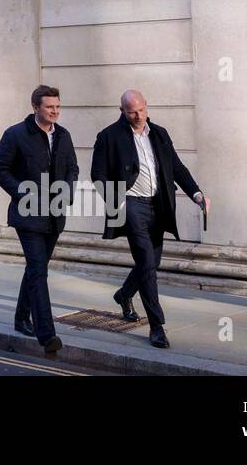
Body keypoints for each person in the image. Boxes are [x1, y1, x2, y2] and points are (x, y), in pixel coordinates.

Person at [90, 89, 207, 349]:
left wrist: (197, 194)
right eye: (131, 111)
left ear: (146, 106)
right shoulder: (109, 136)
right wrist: (114, 199)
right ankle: (157, 326)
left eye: (141, 109)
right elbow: (97, 174)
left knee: (151, 263)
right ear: (122, 111)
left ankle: (124, 294)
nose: (138, 115)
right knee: (145, 260)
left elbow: (176, 167)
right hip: (130, 204)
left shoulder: (160, 134)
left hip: (159, 205)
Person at [0, 84, 78, 355]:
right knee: (39, 271)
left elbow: (72, 168)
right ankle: (46, 334)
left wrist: (68, 191)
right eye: (49, 106)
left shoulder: (63, 135)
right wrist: (21, 192)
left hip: (54, 217)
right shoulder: (16, 134)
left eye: (58, 106)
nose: (55, 111)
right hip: (27, 216)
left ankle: (20, 317)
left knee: (34, 268)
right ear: (35, 107)